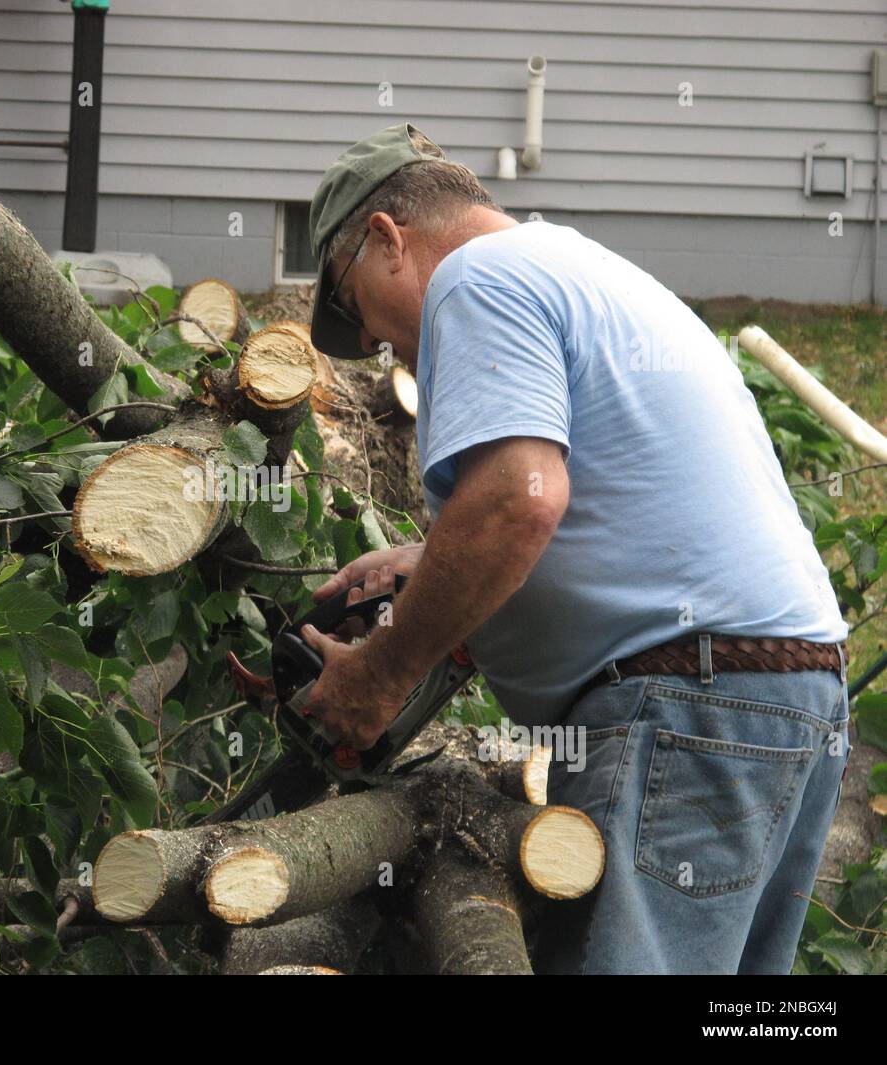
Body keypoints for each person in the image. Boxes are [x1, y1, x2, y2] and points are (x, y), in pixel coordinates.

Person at [298, 123, 851, 975]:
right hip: (785, 696)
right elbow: (602, 502)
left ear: (386, 239)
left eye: (353, 306)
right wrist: (436, 560)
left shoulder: (476, 279)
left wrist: (377, 676)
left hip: (687, 705)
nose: (376, 342)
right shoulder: (587, 270)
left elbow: (520, 503)